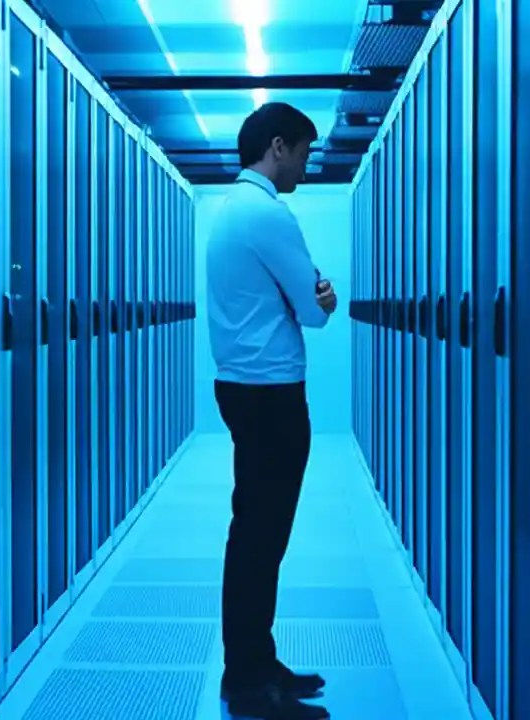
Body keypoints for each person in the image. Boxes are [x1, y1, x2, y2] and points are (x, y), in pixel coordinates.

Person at [205, 102, 337, 720]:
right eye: (304, 154)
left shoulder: (228, 211)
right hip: (273, 395)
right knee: (263, 538)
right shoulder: (269, 214)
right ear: (277, 147)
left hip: (239, 387)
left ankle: (256, 660)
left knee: (252, 534)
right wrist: (322, 297)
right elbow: (314, 309)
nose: (305, 168)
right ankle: (249, 677)